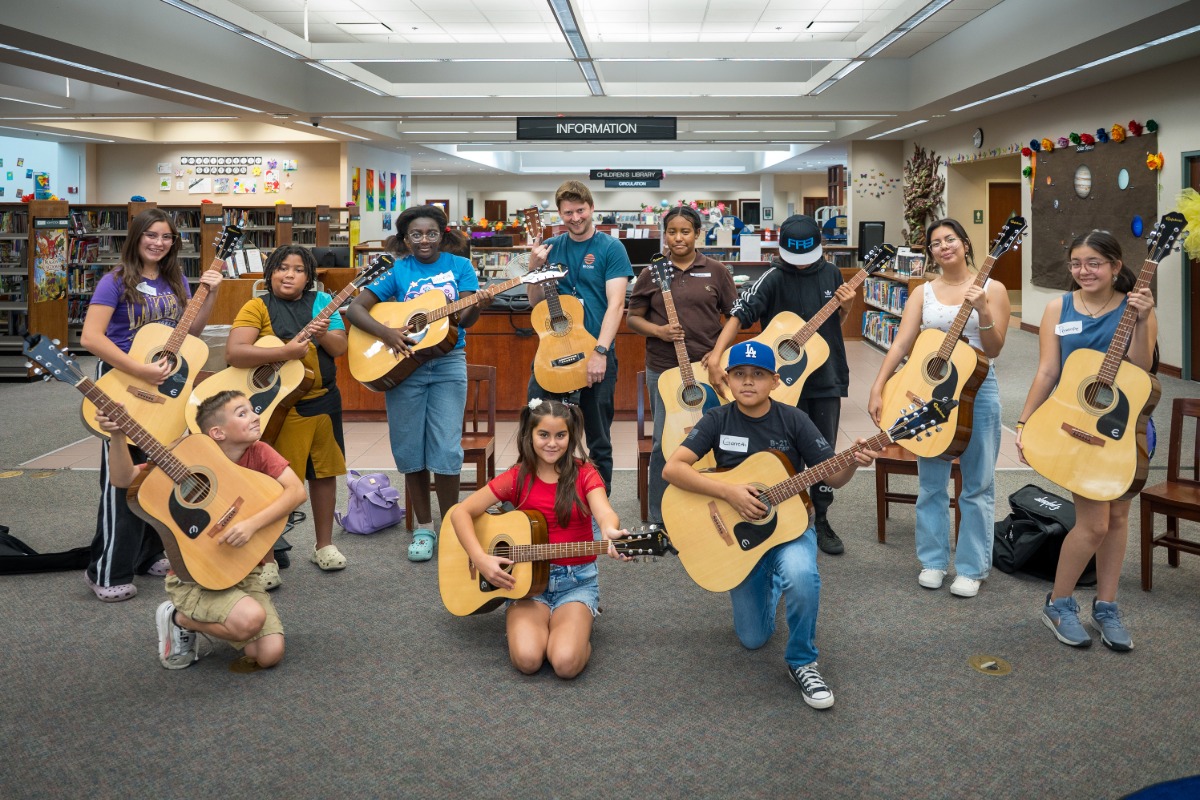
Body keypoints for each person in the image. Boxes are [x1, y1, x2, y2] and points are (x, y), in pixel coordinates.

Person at [664, 342, 879, 708]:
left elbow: (833, 476)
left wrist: (855, 462)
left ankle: (803, 661)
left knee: (801, 574)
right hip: (739, 536)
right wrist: (729, 492)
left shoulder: (793, 419)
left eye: (758, 375)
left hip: (790, 527)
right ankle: (770, 578)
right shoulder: (717, 418)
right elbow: (673, 468)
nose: (748, 382)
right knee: (753, 638)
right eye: (739, 374)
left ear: (775, 381)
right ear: (727, 379)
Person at [1015, 230, 1156, 650]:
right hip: (1080, 428)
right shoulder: (1058, 306)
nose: (1083, 271)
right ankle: (1058, 603)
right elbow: (1046, 372)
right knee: (1093, 524)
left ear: (1116, 267)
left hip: (1127, 428)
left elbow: (1143, 368)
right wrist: (1023, 424)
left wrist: (1145, 319)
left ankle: (1106, 605)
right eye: (1076, 263)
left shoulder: (1136, 308)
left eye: (1094, 263)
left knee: (1117, 519)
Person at [94, 390, 306, 669]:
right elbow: (123, 479)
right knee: (249, 621)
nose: (255, 416)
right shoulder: (188, 456)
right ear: (217, 433)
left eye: (252, 410)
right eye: (242, 414)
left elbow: (296, 492)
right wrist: (118, 436)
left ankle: (225, 616)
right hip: (195, 578)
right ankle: (177, 617)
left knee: (267, 656)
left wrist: (251, 525)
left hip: (244, 571)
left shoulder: (260, 452)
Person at [79, 208, 223, 602]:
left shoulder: (175, 278)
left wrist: (212, 293)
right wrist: (139, 369)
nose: (159, 243)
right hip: (125, 383)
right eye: (151, 235)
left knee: (159, 476)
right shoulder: (115, 281)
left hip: (165, 390)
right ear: (136, 237)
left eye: (167, 237)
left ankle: (147, 555)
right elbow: (91, 337)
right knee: (121, 480)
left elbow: (191, 333)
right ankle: (106, 570)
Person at [867, 217, 1011, 598]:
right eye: (935, 242)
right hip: (929, 393)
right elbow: (900, 345)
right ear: (929, 252)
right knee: (931, 484)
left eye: (950, 239)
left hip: (977, 390)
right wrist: (879, 386)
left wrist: (982, 310)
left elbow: (994, 348)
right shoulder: (922, 293)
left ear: (965, 244)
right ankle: (932, 561)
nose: (944, 246)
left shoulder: (992, 288)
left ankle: (971, 568)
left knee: (977, 483)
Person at [707, 214, 856, 556]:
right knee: (779, 453)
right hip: (780, 384)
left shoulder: (832, 273)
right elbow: (739, 315)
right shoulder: (772, 277)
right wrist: (717, 357)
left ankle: (820, 517)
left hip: (825, 377)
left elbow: (832, 326)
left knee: (823, 452)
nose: (802, 266)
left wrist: (846, 308)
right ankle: (780, 513)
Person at [344, 205, 485, 562]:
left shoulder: (460, 267)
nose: (424, 240)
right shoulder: (397, 268)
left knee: (447, 447)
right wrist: (388, 333)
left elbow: (466, 319)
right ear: (405, 239)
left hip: (449, 361)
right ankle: (424, 527)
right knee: (409, 447)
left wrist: (479, 302)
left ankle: (454, 526)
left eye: (432, 233)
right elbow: (357, 309)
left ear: (444, 234)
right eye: (416, 235)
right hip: (404, 363)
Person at [450, 399, 628, 678]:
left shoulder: (585, 473)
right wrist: (480, 558)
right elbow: (461, 513)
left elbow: (605, 513)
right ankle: (540, 624)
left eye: (561, 435)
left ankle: (579, 625)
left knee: (565, 664)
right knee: (528, 660)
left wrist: (610, 532)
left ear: (571, 437)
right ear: (529, 435)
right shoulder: (517, 477)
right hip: (524, 585)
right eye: (543, 435)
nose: (552, 443)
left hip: (575, 582)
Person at [226, 244, 349, 588]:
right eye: (282, 268)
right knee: (272, 481)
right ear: (270, 273)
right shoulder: (257, 305)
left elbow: (340, 347)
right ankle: (265, 559)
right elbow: (235, 352)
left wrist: (322, 331)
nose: (289, 274)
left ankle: (323, 545)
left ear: (309, 276)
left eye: (297, 269)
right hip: (276, 409)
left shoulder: (324, 303)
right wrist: (285, 351)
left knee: (324, 474)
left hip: (323, 402)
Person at [627, 205, 736, 525]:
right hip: (663, 369)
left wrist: (716, 354)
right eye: (672, 231)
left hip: (707, 369)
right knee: (665, 439)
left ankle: (715, 504)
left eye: (685, 231)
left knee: (715, 439)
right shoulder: (652, 273)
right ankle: (660, 515)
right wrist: (658, 331)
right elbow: (633, 318)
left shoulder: (716, 271)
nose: (678, 238)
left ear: (698, 234)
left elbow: (735, 317)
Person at [527, 180, 634, 492]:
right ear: (559, 214)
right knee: (540, 427)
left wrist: (600, 352)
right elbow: (535, 302)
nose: (575, 217)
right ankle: (544, 500)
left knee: (598, 437)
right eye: (567, 212)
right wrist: (534, 268)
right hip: (553, 356)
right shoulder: (551, 249)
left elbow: (616, 304)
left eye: (580, 210)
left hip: (595, 354)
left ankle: (600, 511)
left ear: (591, 208)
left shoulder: (611, 248)